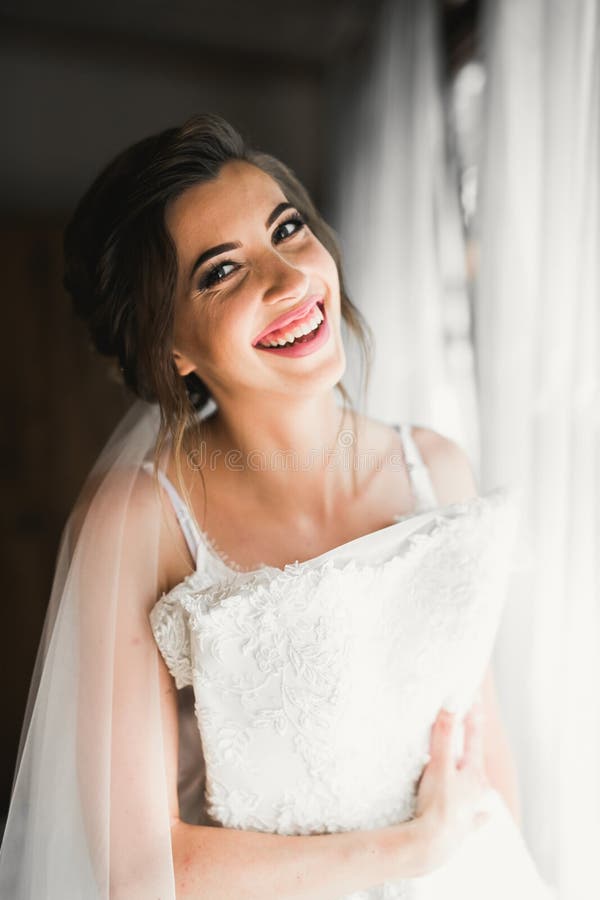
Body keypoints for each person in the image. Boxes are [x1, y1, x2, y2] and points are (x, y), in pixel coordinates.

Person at [0, 113, 553, 899]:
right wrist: (412, 850)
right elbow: (136, 865)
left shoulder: (436, 467)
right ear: (172, 350)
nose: (289, 280)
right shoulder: (141, 518)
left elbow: (483, 752)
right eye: (220, 272)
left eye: (287, 230)